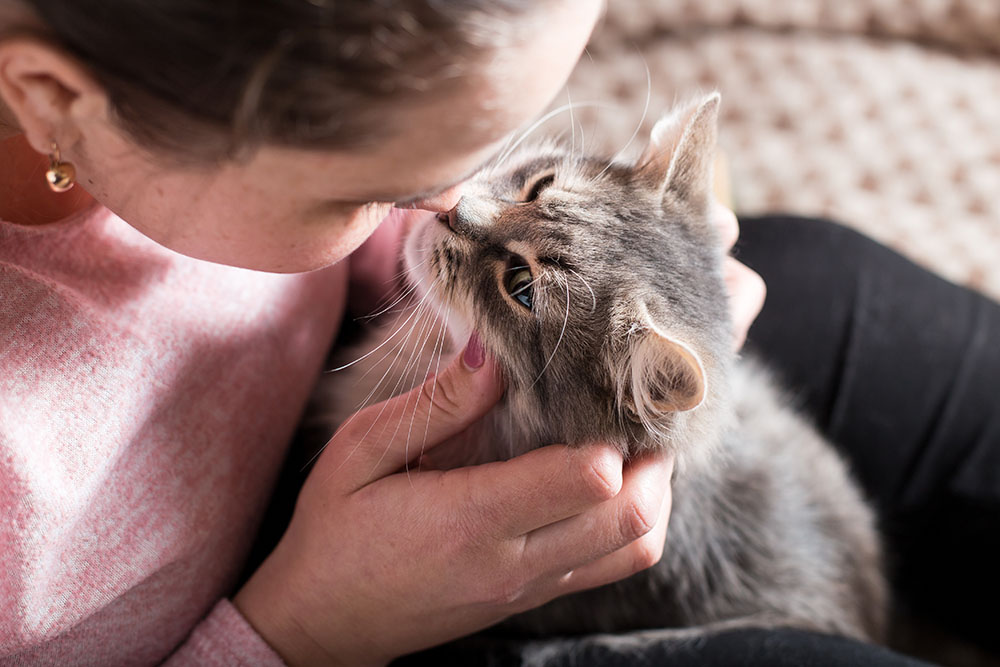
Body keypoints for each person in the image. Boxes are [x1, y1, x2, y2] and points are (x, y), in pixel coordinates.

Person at [2, 2, 996, 666]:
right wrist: (301, 626)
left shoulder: (176, 105)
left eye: (487, 153)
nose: (449, 203)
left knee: (831, 278)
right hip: (318, 622)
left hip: (412, 359)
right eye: (378, 185)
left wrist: (665, 253)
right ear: (51, 104)